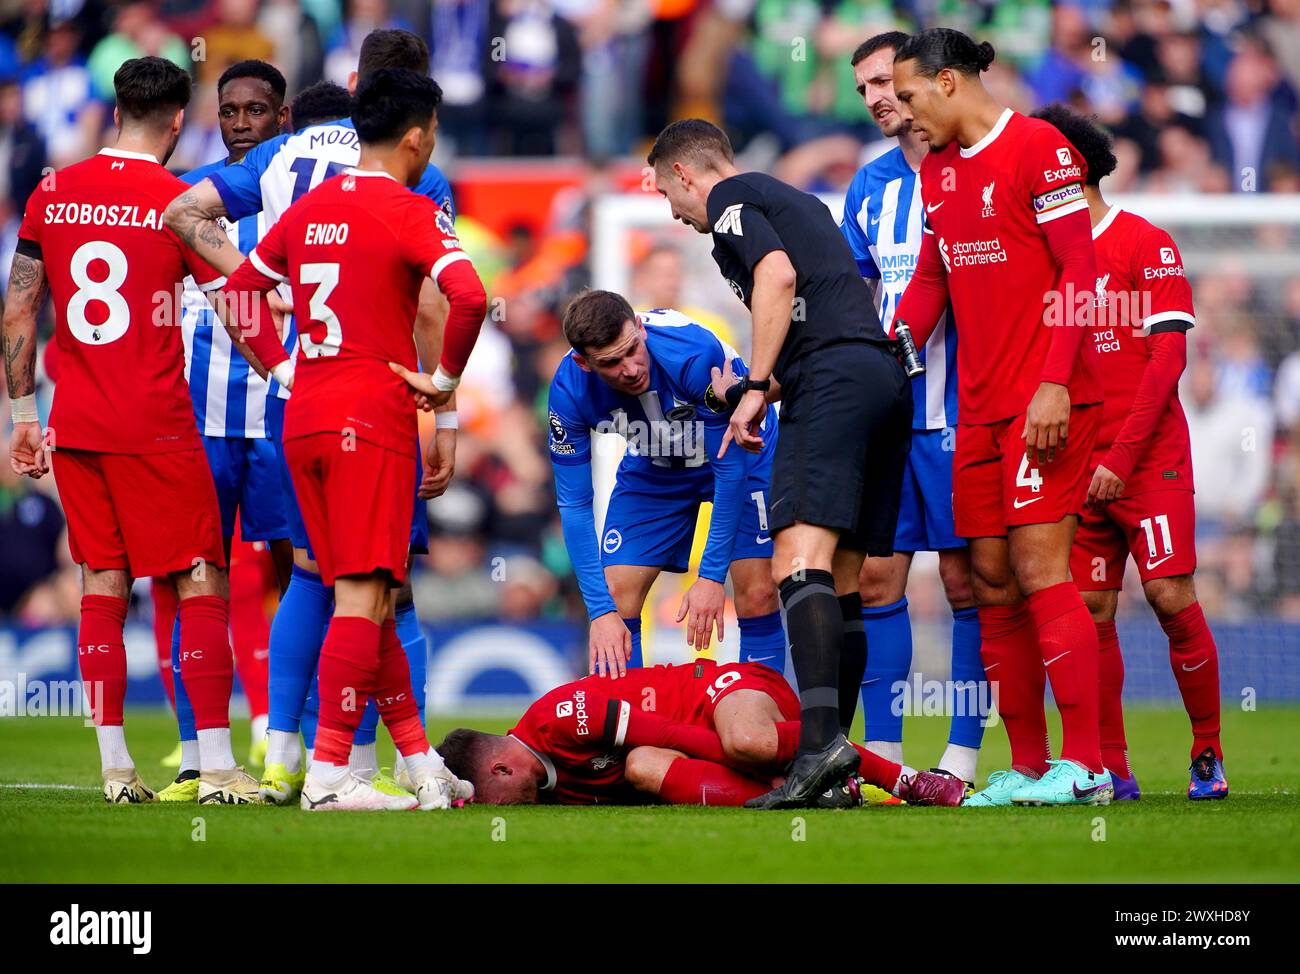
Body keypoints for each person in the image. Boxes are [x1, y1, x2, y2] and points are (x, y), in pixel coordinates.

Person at [164, 28, 457, 806]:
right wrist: (444, 404)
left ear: (355, 81)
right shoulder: (415, 181)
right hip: (375, 402)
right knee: (382, 591)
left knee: (301, 574)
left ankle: (283, 757)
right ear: (418, 117)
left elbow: (186, 215)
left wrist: (277, 344)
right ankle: (354, 768)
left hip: (289, 396)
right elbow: (443, 300)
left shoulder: (282, 159)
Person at [2, 56, 259, 804]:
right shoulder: (179, 201)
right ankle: (216, 767)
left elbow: (19, 310)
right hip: (156, 423)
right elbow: (238, 304)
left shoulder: (51, 191)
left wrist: (25, 418)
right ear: (179, 123)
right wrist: (281, 369)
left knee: (102, 583)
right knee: (199, 576)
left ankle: (116, 768)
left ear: (116, 114)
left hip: (74, 421)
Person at [648, 118, 912, 809]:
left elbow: (777, 274)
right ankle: (837, 766)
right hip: (880, 379)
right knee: (843, 578)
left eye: (663, 192)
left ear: (684, 174)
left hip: (832, 378)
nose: (670, 211)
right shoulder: (789, 200)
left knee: (795, 560)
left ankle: (819, 748)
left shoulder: (734, 199)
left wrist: (759, 385)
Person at [891, 28, 1110, 806]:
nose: (904, 113)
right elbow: (928, 285)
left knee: (1039, 570)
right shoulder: (938, 176)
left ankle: (1085, 767)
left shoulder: (1041, 148)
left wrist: (1055, 383)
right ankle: (1025, 765)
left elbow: (1080, 272)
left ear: (948, 82)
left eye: (910, 96)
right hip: (975, 411)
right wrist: (889, 352)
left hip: (1045, 401)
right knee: (989, 581)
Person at [1035, 104, 1228, 801]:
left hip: (1147, 460)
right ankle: (1113, 766)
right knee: (1091, 610)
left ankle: (1207, 751)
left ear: (1071, 170)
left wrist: (1120, 456)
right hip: (1074, 461)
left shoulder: (1145, 241)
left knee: (1170, 595)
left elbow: (1166, 360)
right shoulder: (1044, 257)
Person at [840, 30, 986, 789]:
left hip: (965, 410)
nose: (875, 99)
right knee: (876, 580)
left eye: (883, 83)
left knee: (968, 584)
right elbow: (851, 294)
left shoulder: (977, 171)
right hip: (891, 416)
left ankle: (964, 751)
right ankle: (888, 757)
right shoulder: (868, 187)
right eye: (862, 88)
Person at [154, 58, 292, 803]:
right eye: (230, 110)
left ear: (284, 116)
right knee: (192, 579)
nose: (241, 122)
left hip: (281, 414)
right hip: (201, 419)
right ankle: (196, 756)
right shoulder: (187, 198)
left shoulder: (297, 193)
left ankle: (285, 744)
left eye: (256, 111)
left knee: (291, 580)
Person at [548, 291, 786, 678]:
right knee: (615, 597)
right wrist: (600, 612)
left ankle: (763, 720)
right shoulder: (568, 392)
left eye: (632, 350)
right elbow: (574, 505)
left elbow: (730, 469)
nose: (630, 369)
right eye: (611, 362)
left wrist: (710, 577)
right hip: (657, 462)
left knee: (757, 593)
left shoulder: (690, 354)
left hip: (739, 451)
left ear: (640, 328)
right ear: (584, 363)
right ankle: (632, 732)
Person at [436, 660, 965, 807]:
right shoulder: (550, 787)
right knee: (643, 765)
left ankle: (902, 778)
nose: (503, 810)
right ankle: (819, 793)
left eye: (492, 798)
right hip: (697, 753)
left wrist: (772, 764)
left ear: (500, 768)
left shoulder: (559, 717)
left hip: (721, 692)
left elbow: (670, 730)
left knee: (747, 743)